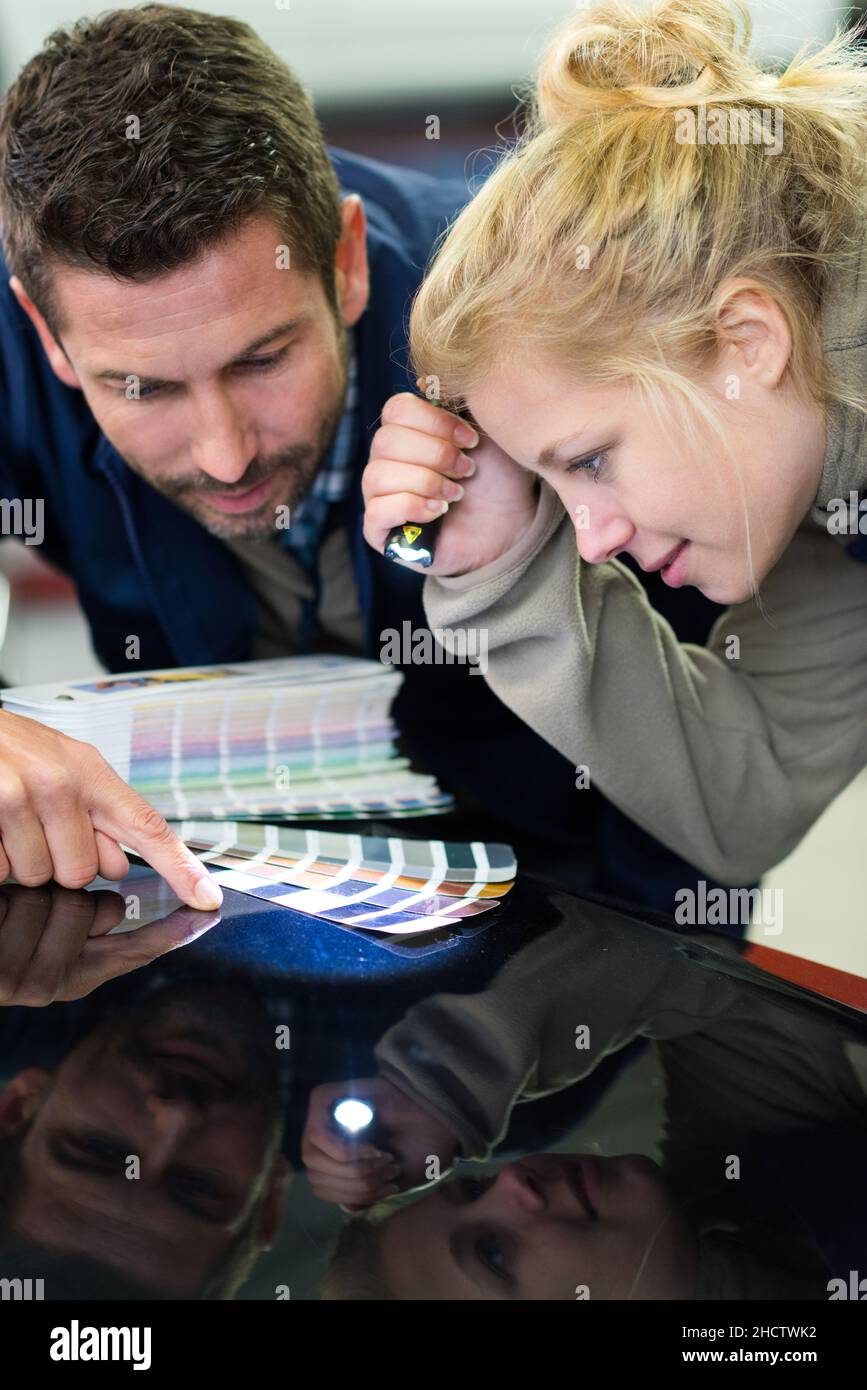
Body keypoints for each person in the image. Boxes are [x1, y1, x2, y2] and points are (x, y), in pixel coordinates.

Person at [0, 4, 725, 914]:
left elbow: (697, 743)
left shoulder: (545, 315)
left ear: (345, 261)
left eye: (261, 360)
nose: (226, 457)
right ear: (46, 332)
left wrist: (646, 1013)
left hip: (544, 904)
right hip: (189, 906)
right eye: (144, 390)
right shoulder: (12, 340)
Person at [362, 0, 867, 887]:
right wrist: (506, 567)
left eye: (590, 461)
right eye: (558, 484)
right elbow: (742, 805)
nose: (592, 542)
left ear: (746, 342)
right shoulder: (818, 463)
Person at [301, 900, 867, 1299]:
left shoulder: (739, 1187)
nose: (513, 1182)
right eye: (492, 1253)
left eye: (472, 1187)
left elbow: (685, 963)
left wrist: (437, 1091)